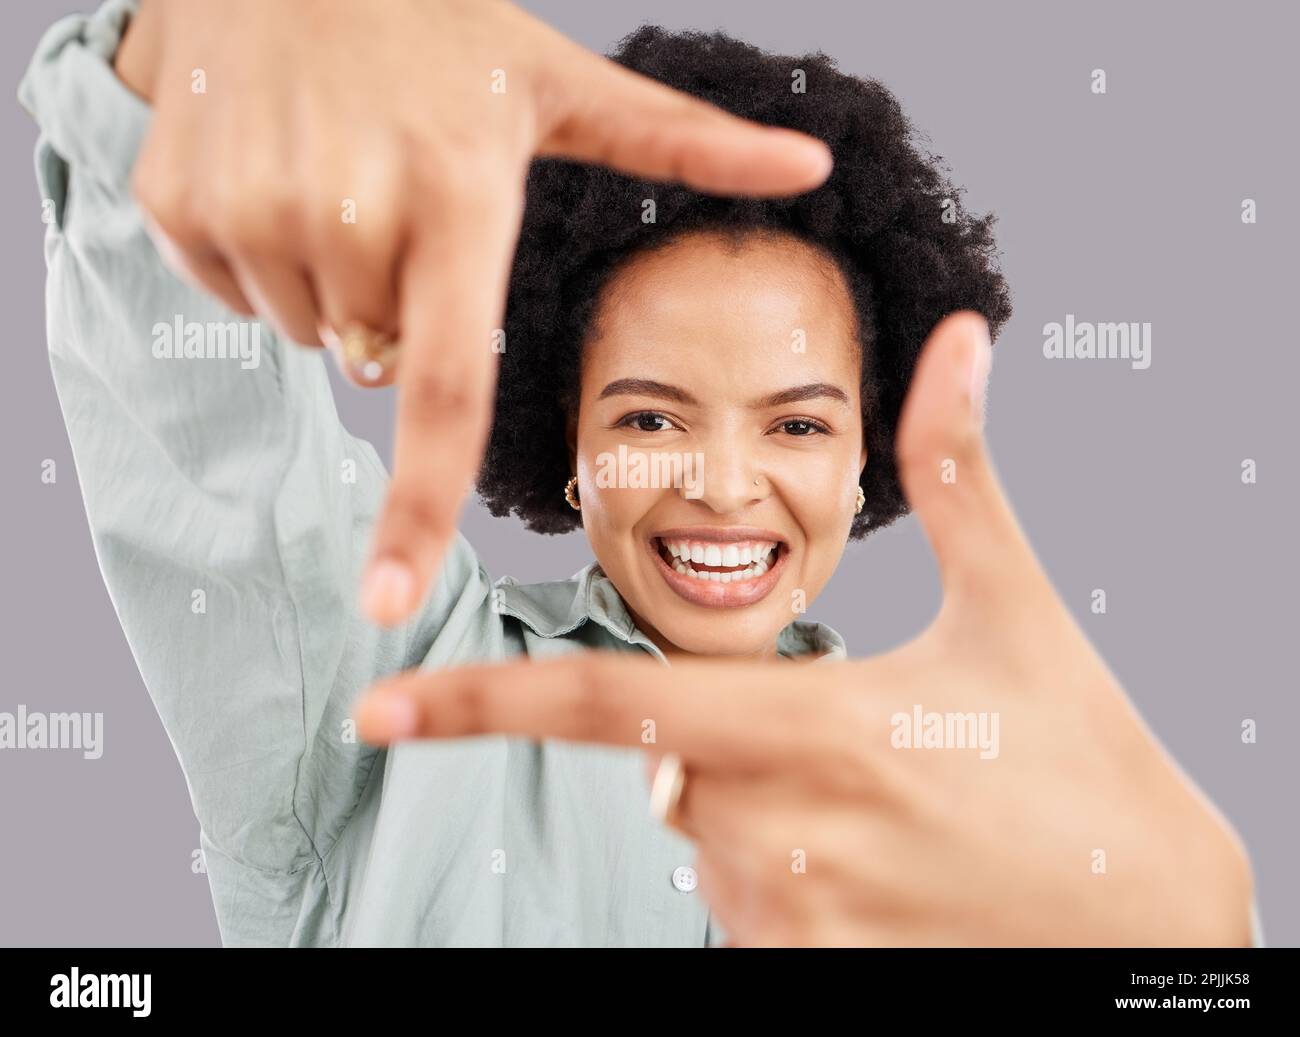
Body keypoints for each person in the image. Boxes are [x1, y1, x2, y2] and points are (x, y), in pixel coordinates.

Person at [20, 0, 1259, 946]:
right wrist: (205, 47)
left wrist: (1203, 945)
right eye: (653, 420)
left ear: (866, 454)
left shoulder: (959, 811)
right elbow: (208, 438)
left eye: (797, 425)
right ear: (564, 440)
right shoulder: (383, 686)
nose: (725, 487)